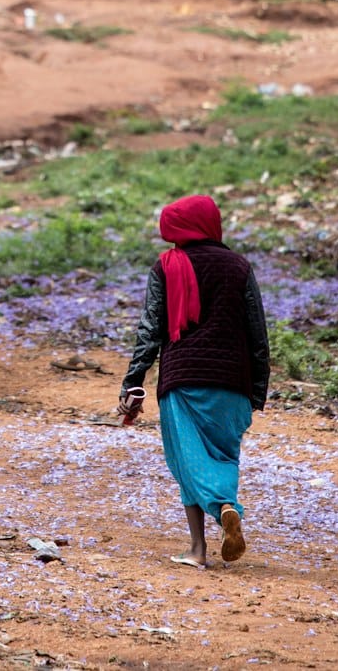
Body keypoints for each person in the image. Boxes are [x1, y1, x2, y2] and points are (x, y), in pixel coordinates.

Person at [118, 194, 270, 568]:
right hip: (233, 379)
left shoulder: (166, 266)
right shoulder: (239, 266)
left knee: (188, 460)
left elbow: (150, 330)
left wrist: (132, 381)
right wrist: (258, 389)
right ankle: (224, 510)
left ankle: (207, 535)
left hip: (183, 379)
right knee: (222, 454)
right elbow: (257, 332)